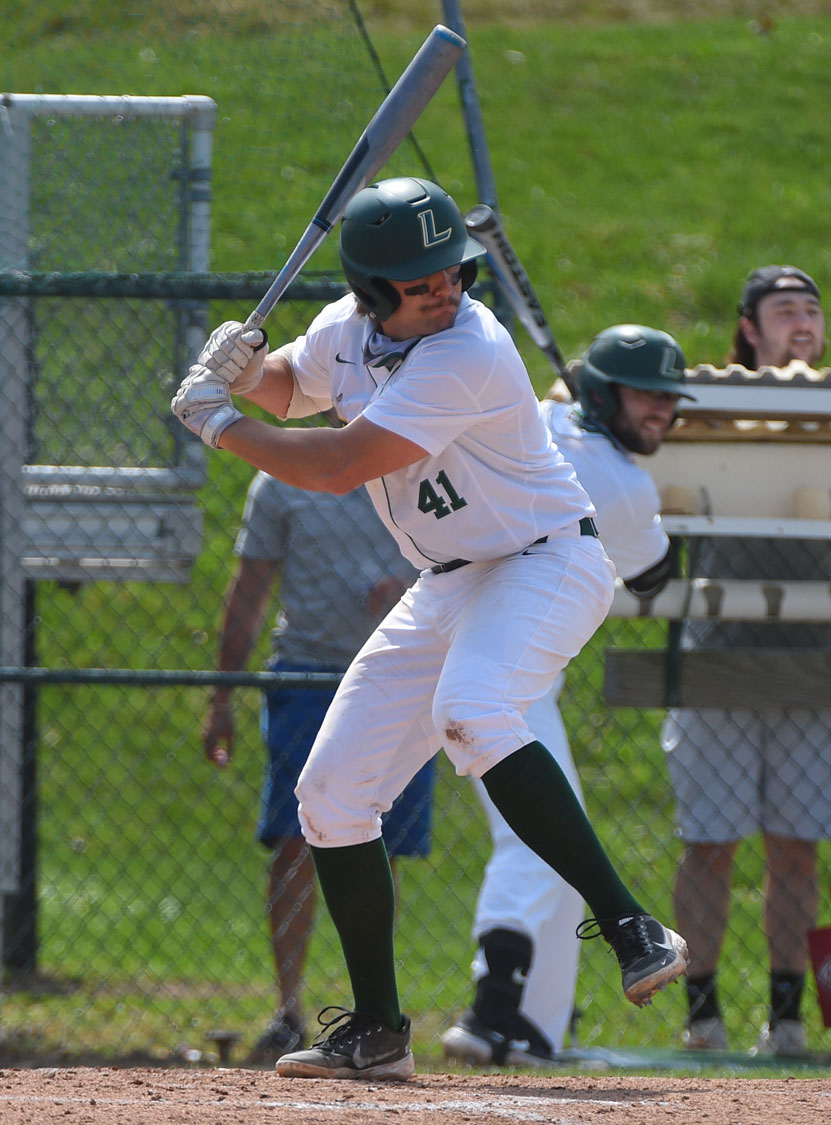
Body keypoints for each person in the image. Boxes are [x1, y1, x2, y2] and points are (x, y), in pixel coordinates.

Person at [170, 176, 687, 1081]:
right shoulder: (348, 327)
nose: (443, 289)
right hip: (449, 580)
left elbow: (338, 462)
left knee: (473, 707)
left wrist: (220, 422)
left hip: (544, 560)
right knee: (328, 793)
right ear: (374, 295)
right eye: (419, 282)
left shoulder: (470, 350)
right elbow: (299, 391)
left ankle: (632, 922)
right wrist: (253, 375)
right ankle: (375, 1029)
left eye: (450, 271)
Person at [440, 324, 689, 1068]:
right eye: (647, 395)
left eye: (670, 398)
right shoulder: (622, 482)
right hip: (492, 677)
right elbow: (651, 577)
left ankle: (535, 1033)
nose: (663, 411)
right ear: (603, 393)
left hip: (478, 654)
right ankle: (491, 1007)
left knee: (558, 846)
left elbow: (553, 417)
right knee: (535, 841)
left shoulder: (541, 420)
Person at [665, 265, 831, 1057]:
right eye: (785, 311)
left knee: (795, 846)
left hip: (817, 658)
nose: (804, 323)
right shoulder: (710, 410)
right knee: (709, 842)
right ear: (750, 329)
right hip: (720, 655)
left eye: (813, 310)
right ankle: (702, 1014)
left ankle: (786, 1021)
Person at [200, 469, 437, 1063]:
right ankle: (288, 1010)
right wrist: (222, 697)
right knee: (296, 840)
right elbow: (249, 591)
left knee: (382, 846)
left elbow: (462, 566)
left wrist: (406, 598)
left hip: (399, 678)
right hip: (308, 677)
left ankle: (377, 1010)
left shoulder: (420, 464)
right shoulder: (282, 479)